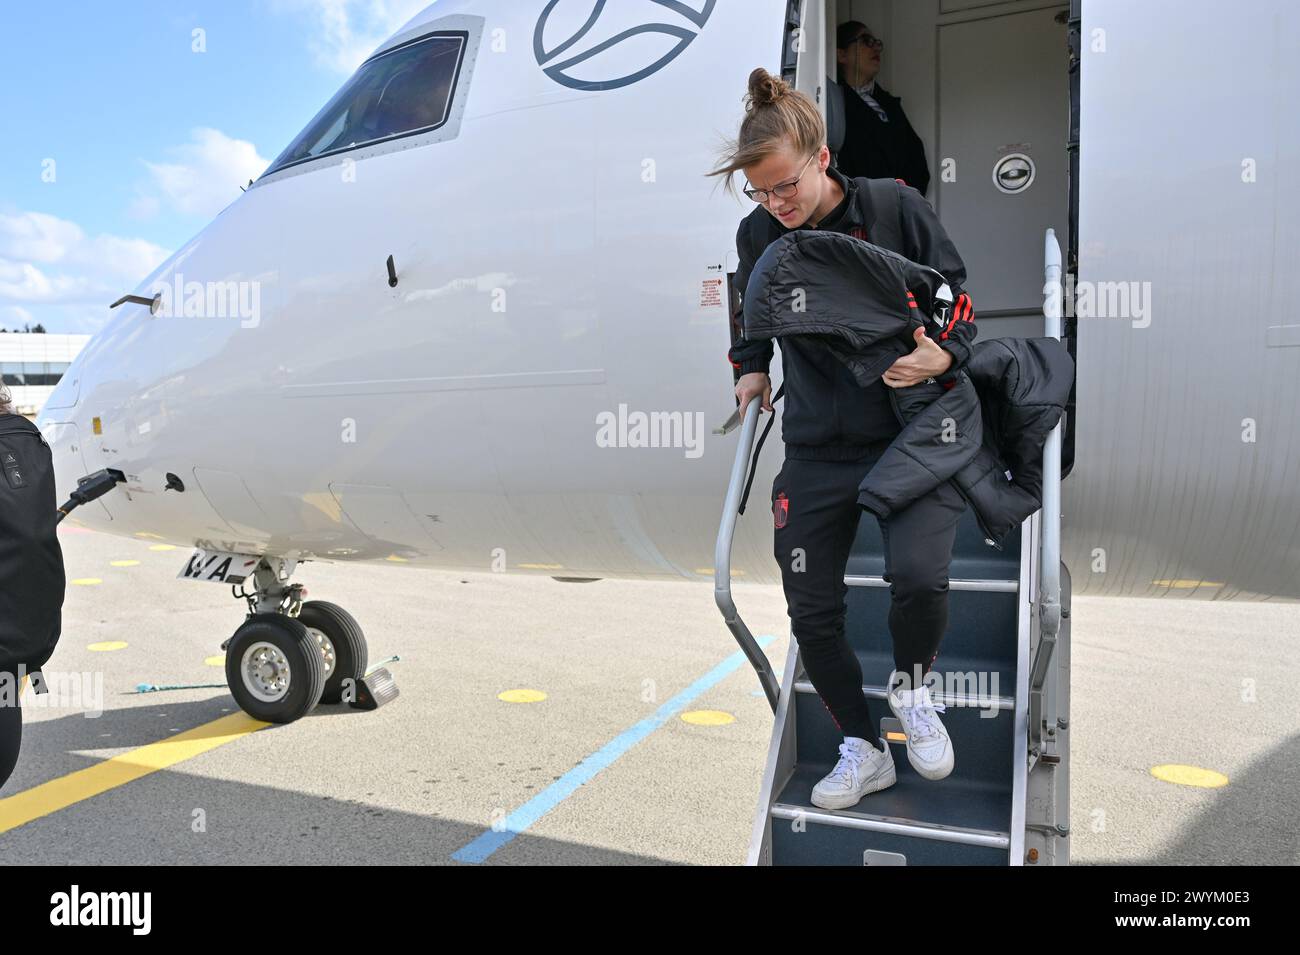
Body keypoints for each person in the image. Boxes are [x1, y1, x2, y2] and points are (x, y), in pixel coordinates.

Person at [707, 67, 976, 810]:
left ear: (822, 158)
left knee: (919, 578)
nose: (776, 204)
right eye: (761, 193)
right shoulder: (759, 232)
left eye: (786, 185)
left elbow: (957, 297)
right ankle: (863, 744)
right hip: (820, 444)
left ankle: (914, 691)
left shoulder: (895, 205)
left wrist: (944, 353)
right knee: (810, 609)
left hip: (911, 431)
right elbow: (747, 310)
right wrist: (750, 369)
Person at [833, 20, 931, 196]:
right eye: (865, 40)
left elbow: (915, 157)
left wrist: (908, 202)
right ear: (842, 55)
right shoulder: (833, 104)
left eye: (876, 43)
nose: (876, 48)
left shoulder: (888, 104)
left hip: (901, 211)